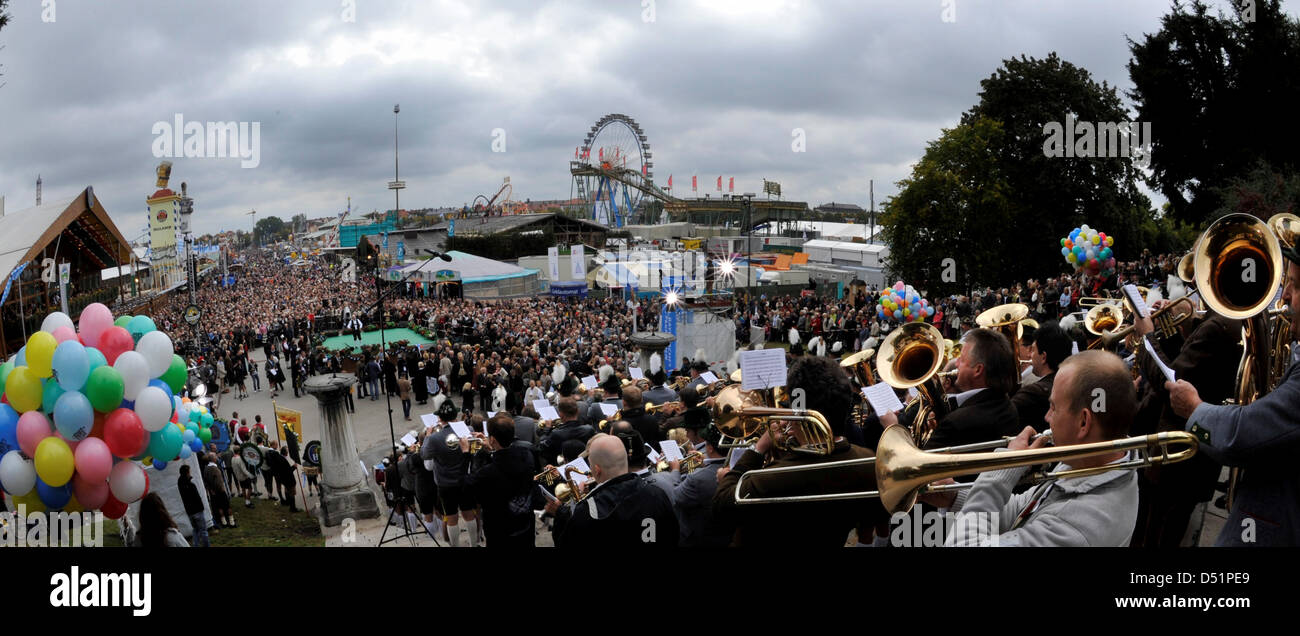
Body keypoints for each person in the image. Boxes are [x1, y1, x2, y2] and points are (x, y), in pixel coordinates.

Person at [922, 350, 1140, 547]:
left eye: (1053, 407)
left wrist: (1004, 467)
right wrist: (955, 498)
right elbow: (1024, 511)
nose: (1047, 417)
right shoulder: (1092, 459)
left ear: (1084, 422)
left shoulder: (1077, 527)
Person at [1165, 245, 1300, 546]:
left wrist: (1194, 410)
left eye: (1296, 285)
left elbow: (1241, 435)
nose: (1286, 295)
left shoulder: (1220, 325)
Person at [714, 356, 888, 547]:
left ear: (798, 406)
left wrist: (758, 449)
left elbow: (722, 506)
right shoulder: (868, 461)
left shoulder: (771, 478)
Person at [1130, 293, 1239, 547]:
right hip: (1193, 458)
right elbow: (1192, 364)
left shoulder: (1217, 326)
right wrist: (1176, 327)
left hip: (1177, 461)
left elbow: (1171, 384)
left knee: (1153, 533)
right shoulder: (1223, 322)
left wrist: (1148, 336)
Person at [553, 435, 678, 547]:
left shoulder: (589, 510)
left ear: (597, 470)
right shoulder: (656, 493)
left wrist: (560, 516)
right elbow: (672, 535)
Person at [925, 328, 1020, 451]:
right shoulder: (1005, 403)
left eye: (962, 359)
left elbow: (916, 465)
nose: (957, 363)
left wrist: (892, 423)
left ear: (978, 370)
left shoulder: (955, 423)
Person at [464, 414, 541, 547]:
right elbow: (506, 463)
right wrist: (492, 450)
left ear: (492, 439)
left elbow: (466, 488)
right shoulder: (527, 455)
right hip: (525, 530)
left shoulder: (487, 473)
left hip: (499, 535)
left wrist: (465, 454)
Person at [424, 420, 479, 547]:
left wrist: (427, 436)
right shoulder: (468, 429)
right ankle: (474, 544)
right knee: (468, 513)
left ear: (440, 418)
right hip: (464, 477)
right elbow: (473, 453)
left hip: (445, 483)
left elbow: (426, 458)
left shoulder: (435, 438)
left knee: (451, 517)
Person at [1011, 320, 1071, 434]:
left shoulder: (1032, 393)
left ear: (1043, 357)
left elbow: (1003, 415)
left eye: (1033, 350)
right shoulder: (1069, 384)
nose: (1030, 355)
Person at [537, 397, 596, 466]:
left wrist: (547, 429)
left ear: (561, 414)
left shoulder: (556, 434)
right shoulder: (589, 430)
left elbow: (541, 449)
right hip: (586, 466)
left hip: (561, 468)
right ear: (577, 412)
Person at [177, 465, 209, 547]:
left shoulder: (180, 483)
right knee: (203, 530)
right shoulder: (190, 485)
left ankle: (196, 544)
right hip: (197, 510)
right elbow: (196, 497)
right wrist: (201, 507)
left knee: (196, 529)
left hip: (190, 511)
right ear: (187, 472)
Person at [202, 453, 234, 528]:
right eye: (215, 457)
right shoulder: (215, 469)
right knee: (227, 506)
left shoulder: (206, 468)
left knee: (219, 507)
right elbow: (219, 482)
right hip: (220, 491)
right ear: (213, 459)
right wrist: (221, 489)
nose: (217, 458)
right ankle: (232, 522)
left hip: (213, 492)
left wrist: (211, 489)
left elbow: (206, 481)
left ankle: (224, 522)